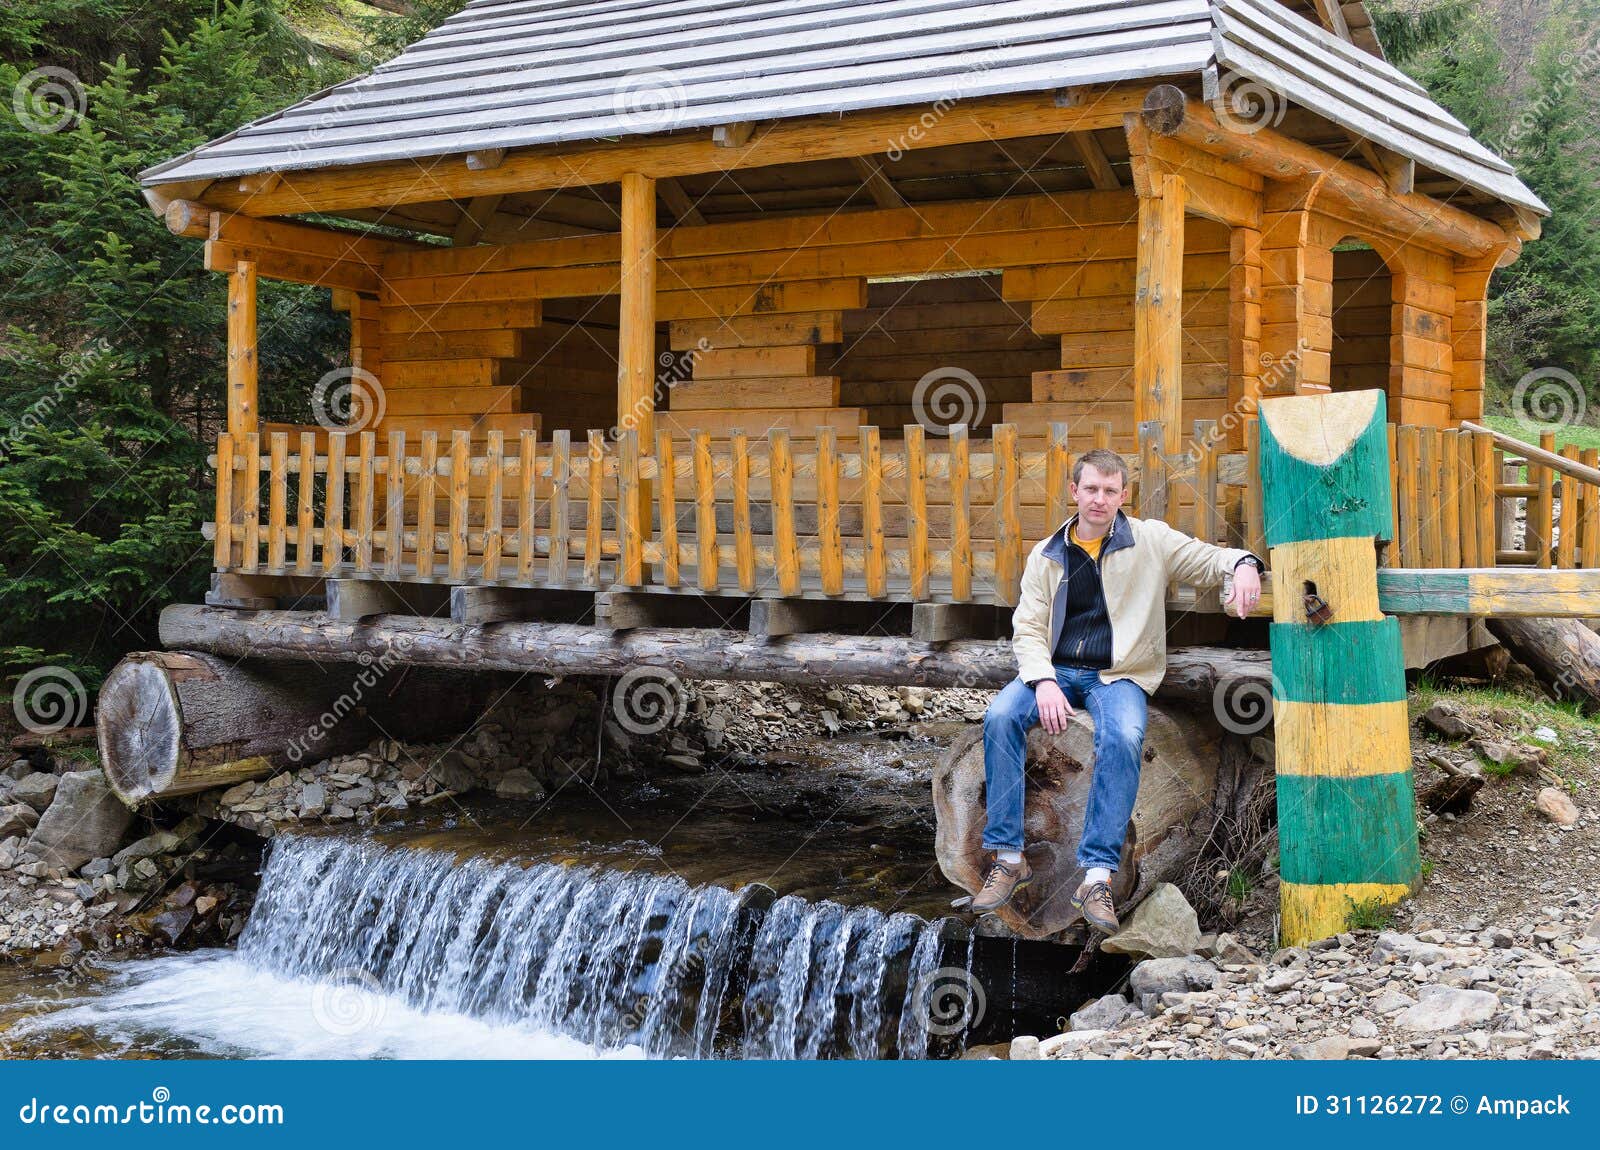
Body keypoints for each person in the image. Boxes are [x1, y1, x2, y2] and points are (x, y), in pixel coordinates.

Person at [970, 447, 1263, 933]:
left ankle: (1097, 876)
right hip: (1056, 669)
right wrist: (1042, 680)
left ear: (1123, 495)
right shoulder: (1046, 554)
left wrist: (1245, 566)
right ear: (1074, 492)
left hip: (1117, 675)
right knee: (1000, 717)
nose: (1099, 499)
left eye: (1110, 491)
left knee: (1124, 737)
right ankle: (1008, 856)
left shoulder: (1150, 540)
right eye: (1091, 489)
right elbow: (1027, 629)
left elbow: (1212, 559)